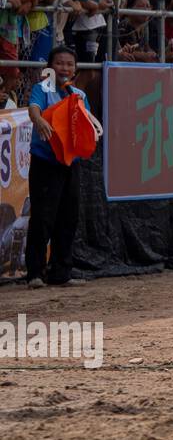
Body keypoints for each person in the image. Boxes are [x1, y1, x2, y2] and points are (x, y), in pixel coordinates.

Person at [25, 46, 90, 288]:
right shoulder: (42, 89)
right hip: (45, 162)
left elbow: (87, 123)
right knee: (43, 217)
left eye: (69, 64)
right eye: (60, 63)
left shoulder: (79, 95)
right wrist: (39, 119)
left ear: (75, 69)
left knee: (68, 217)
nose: (65, 68)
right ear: (50, 67)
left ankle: (61, 272)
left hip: (70, 163)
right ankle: (35, 273)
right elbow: (34, 108)